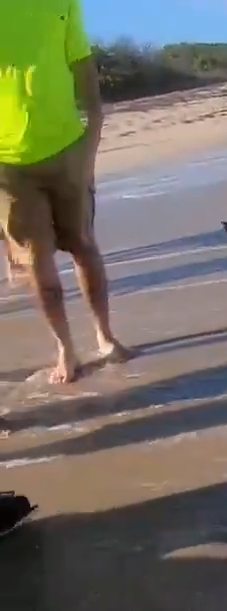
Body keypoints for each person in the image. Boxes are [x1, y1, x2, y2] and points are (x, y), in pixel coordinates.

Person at [1, 0, 134, 385]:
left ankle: (105, 337)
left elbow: (85, 76)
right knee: (36, 262)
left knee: (84, 246)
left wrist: (88, 149)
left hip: (67, 150)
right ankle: (65, 348)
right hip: (8, 164)